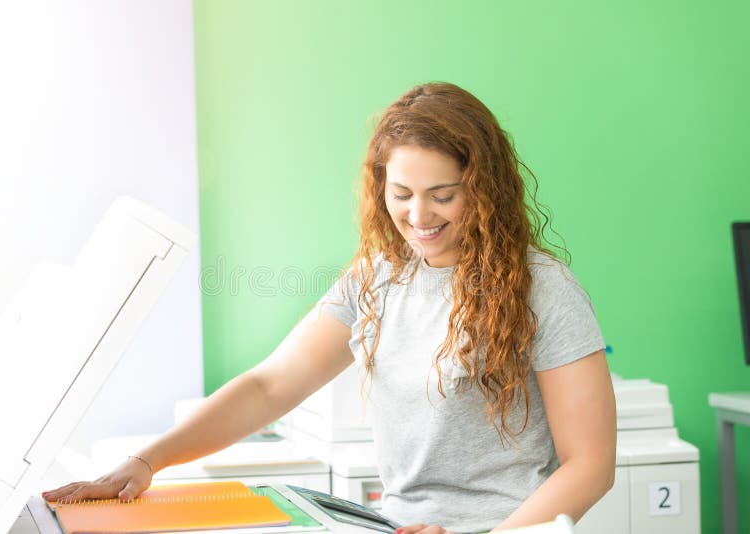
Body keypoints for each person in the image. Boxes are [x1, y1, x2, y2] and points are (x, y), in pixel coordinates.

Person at [43, 82, 616, 533]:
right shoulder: (377, 276)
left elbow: (590, 465)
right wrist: (147, 462)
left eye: (443, 195)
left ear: (484, 188)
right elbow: (270, 387)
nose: (419, 216)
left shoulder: (543, 288)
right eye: (401, 194)